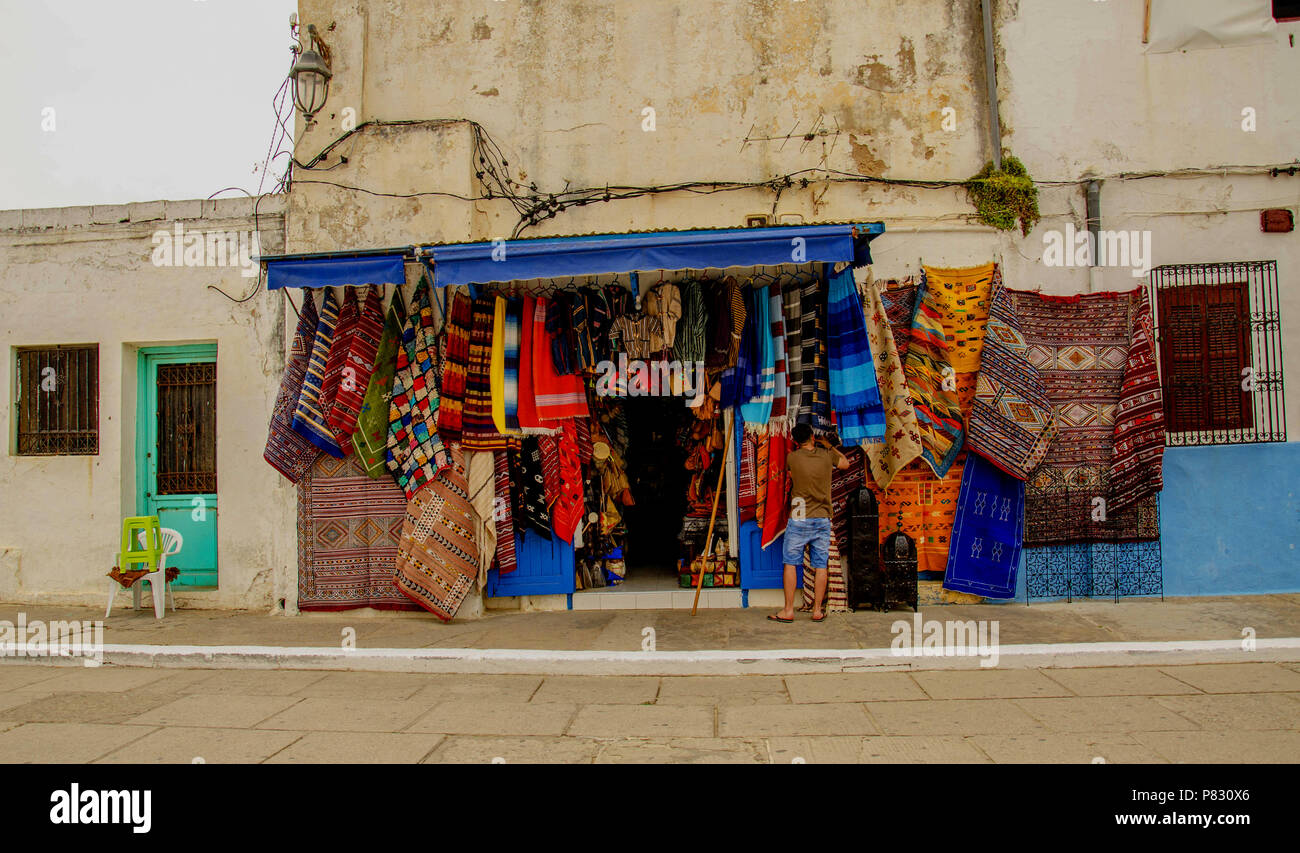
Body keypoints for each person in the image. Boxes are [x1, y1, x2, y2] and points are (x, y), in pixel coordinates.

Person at [770, 423, 850, 623]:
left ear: (796, 441)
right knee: (820, 565)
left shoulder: (792, 458)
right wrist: (828, 446)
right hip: (822, 515)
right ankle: (817, 610)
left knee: (790, 563)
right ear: (813, 436)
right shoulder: (826, 456)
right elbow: (845, 463)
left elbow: (787, 473)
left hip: (799, 514)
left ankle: (788, 610)